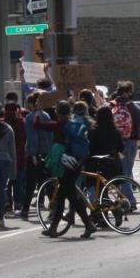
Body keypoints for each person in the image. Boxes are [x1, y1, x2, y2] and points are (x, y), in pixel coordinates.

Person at [39, 101, 98, 239]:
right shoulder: (72, 124)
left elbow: (60, 142)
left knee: (69, 196)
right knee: (63, 196)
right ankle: (54, 228)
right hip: (76, 162)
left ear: (57, 112)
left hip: (68, 163)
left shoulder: (63, 126)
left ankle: (88, 224)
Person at [21, 94, 52, 220]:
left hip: (35, 153)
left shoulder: (30, 118)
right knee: (47, 182)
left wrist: (33, 154)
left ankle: (25, 209)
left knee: (30, 183)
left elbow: (32, 137)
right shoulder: (46, 116)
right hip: (46, 152)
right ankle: (53, 209)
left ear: (31, 104)